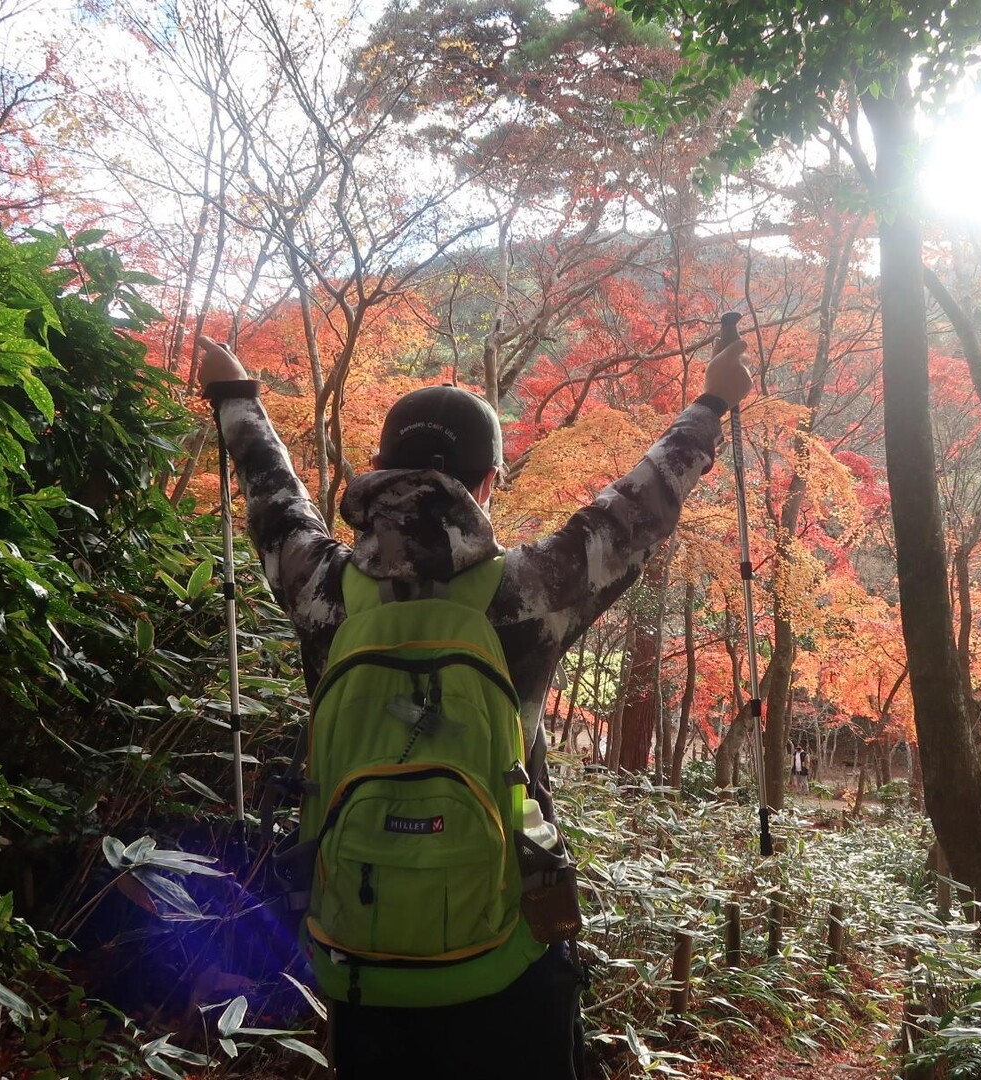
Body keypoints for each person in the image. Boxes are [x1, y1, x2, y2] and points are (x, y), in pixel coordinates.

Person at [196, 328, 752, 1079]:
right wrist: (712, 401)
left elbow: (274, 497)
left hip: (362, 946)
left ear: (381, 472)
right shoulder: (527, 592)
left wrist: (236, 396)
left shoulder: (323, 589)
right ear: (489, 480)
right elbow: (639, 505)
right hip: (511, 946)